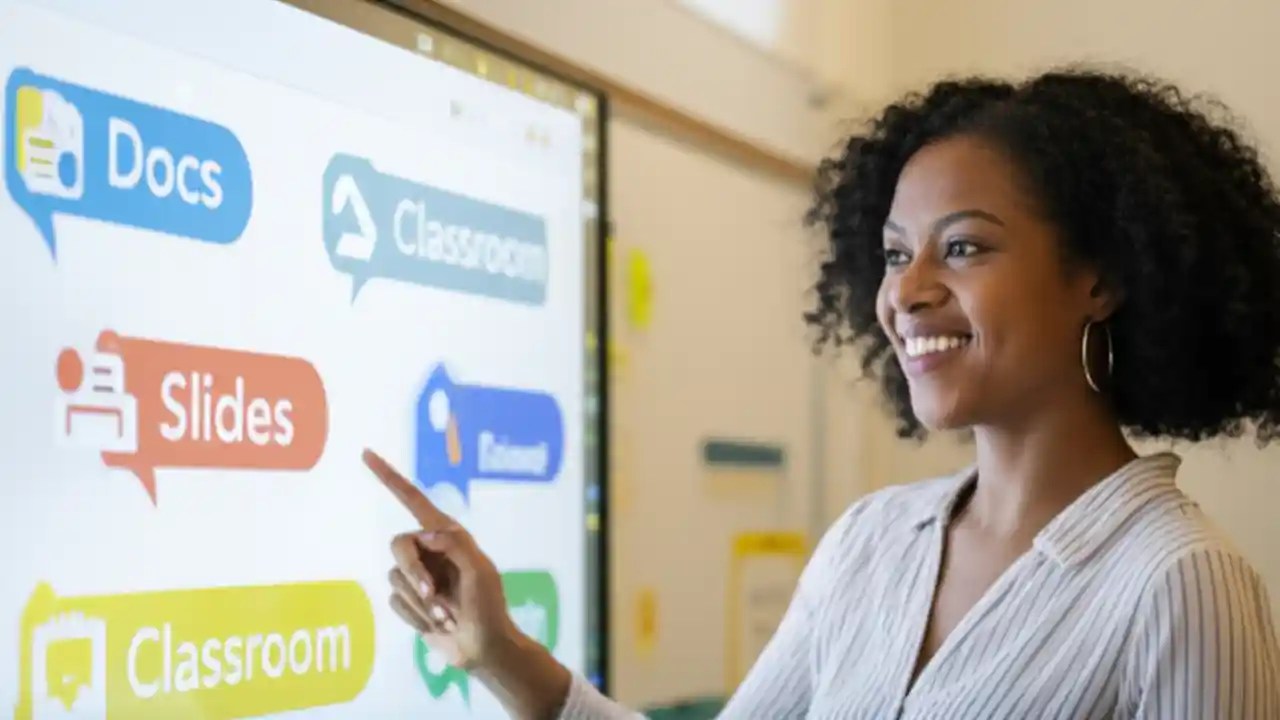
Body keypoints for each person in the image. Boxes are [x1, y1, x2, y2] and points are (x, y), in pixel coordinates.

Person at [368, 66, 1280, 719]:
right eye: (894, 253)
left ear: (1100, 276)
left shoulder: (1179, 581)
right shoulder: (871, 543)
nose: (906, 289)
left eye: (962, 246)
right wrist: (501, 655)